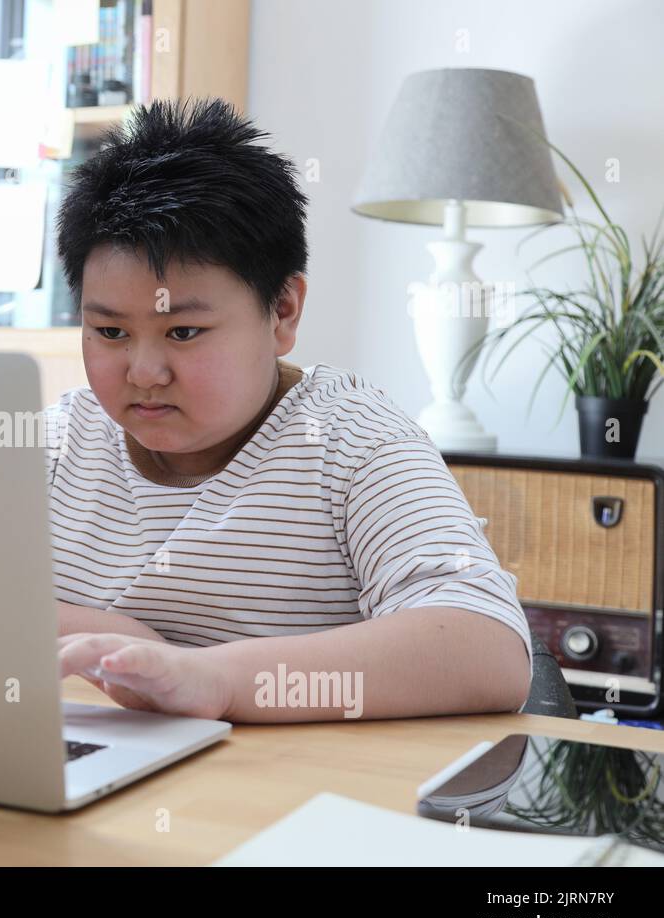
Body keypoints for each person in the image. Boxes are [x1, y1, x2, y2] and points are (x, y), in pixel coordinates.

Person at [50, 97, 532, 723]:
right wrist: (125, 635)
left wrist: (213, 679)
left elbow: (485, 649)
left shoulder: (353, 441)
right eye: (110, 333)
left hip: (296, 801)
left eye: (183, 332)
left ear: (282, 311)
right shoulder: (59, 441)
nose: (144, 372)